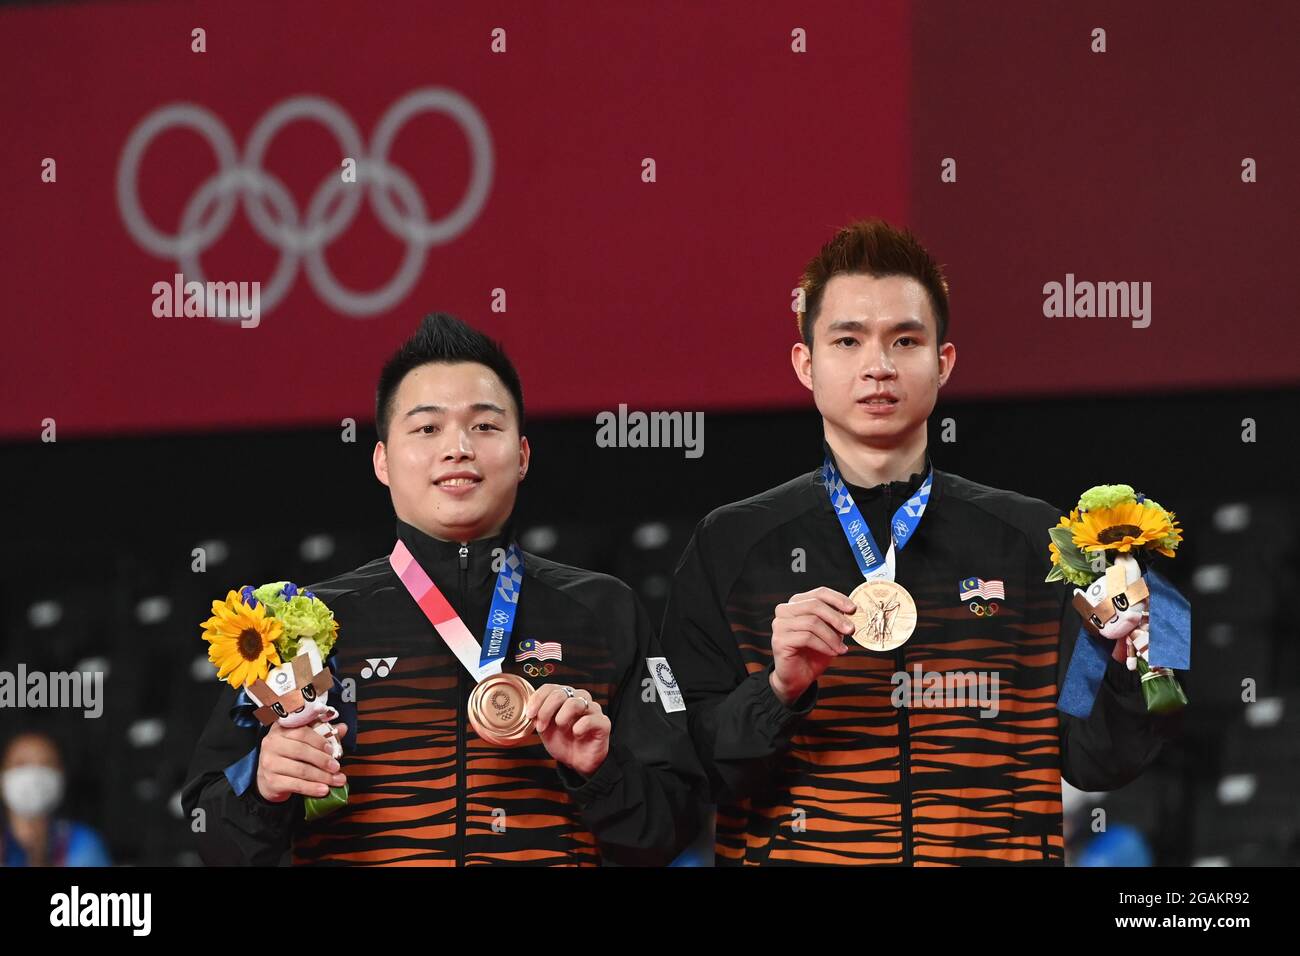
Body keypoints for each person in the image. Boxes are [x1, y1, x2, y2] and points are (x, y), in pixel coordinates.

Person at [660, 218, 1174, 865]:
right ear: (806, 364)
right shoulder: (729, 545)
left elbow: (1095, 759)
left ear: (943, 362)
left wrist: (1134, 665)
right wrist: (776, 691)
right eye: (848, 340)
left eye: (904, 340)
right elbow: (681, 778)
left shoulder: (1035, 540)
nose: (878, 365)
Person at [182, 313, 704, 865]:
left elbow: (671, 829)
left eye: (484, 426)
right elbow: (210, 833)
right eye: (427, 428)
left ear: (522, 455)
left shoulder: (605, 611)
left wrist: (600, 771)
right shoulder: (303, 624)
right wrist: (265, 784)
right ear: (382, 460)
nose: (458, 448)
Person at [1, 732, 111, 866]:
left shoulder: (84, 843)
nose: (35, 775)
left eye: (46, 764)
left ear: (62, 776)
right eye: (21, 763)